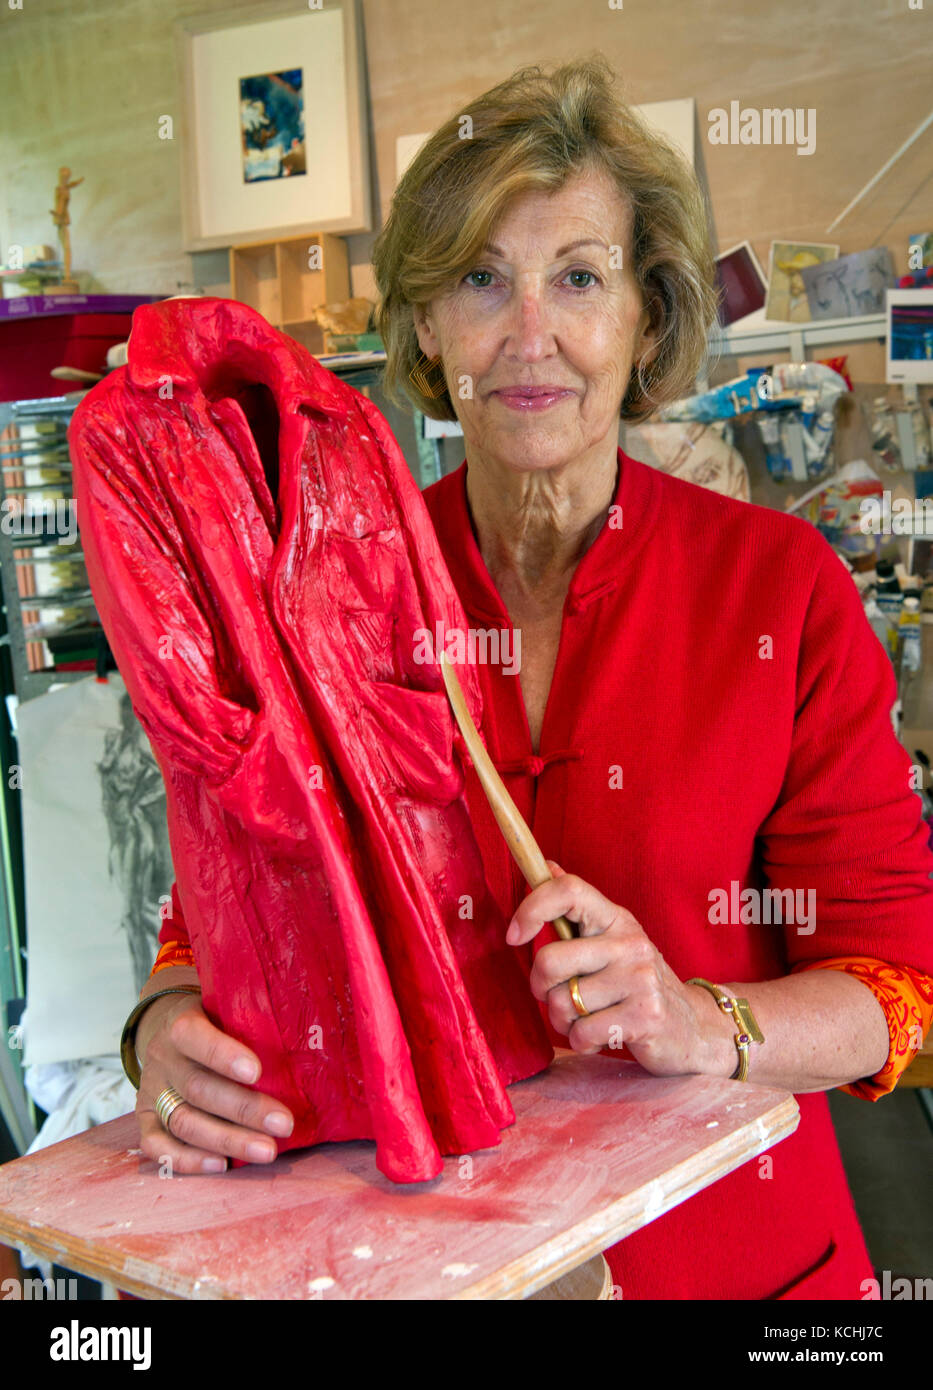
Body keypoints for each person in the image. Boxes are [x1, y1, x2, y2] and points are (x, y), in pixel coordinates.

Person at [131, 58, 933, 1299]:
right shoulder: (332, 585)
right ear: (425, 327)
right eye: (479, 280)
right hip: (428, 1267)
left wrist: (703, 1018)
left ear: (647, 318)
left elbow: (903, 989)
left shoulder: (781, 590)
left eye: (578, 277)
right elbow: (230, 897)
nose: (528, 337)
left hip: (742, 1274)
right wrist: (163, 1026)